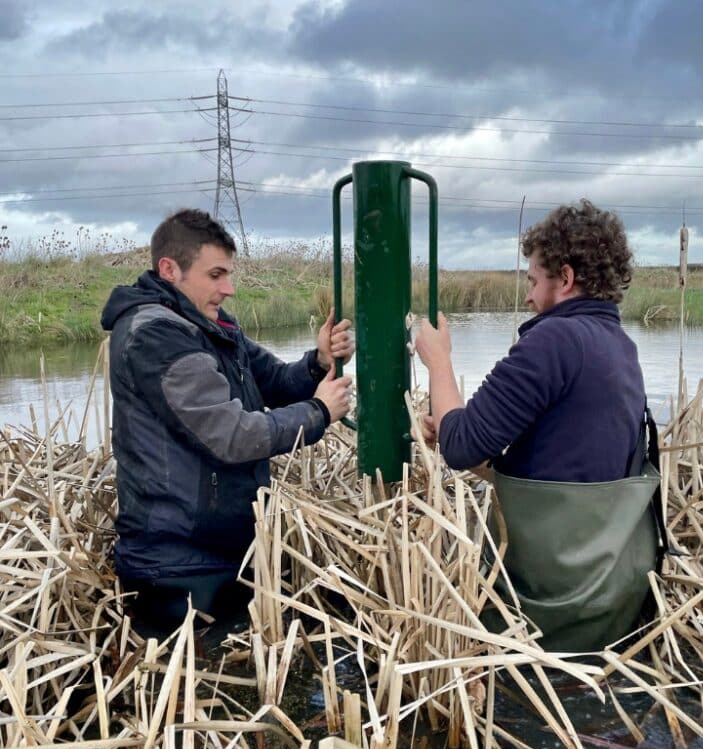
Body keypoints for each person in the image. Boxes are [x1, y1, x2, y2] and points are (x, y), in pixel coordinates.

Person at [415, 199, 661, 652]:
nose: (528, 296)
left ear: (564, 279)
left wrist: (438, 360)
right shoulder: (619, 346)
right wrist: (456, 436)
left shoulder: (554, 340)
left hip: (552, 608)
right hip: (608, 601)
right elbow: (562, 470)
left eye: (532, 280)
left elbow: (461, 445)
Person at [101, 209, 353, 637]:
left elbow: (273, 381)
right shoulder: (155, 336)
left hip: (221, 549)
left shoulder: (212, 324)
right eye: (215, 274)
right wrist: (319, 413)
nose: (228, 288)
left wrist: (318, 363)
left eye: (229, 274)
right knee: (191, 695)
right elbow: (232, 435)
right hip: (175, 564)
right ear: (169, 269)